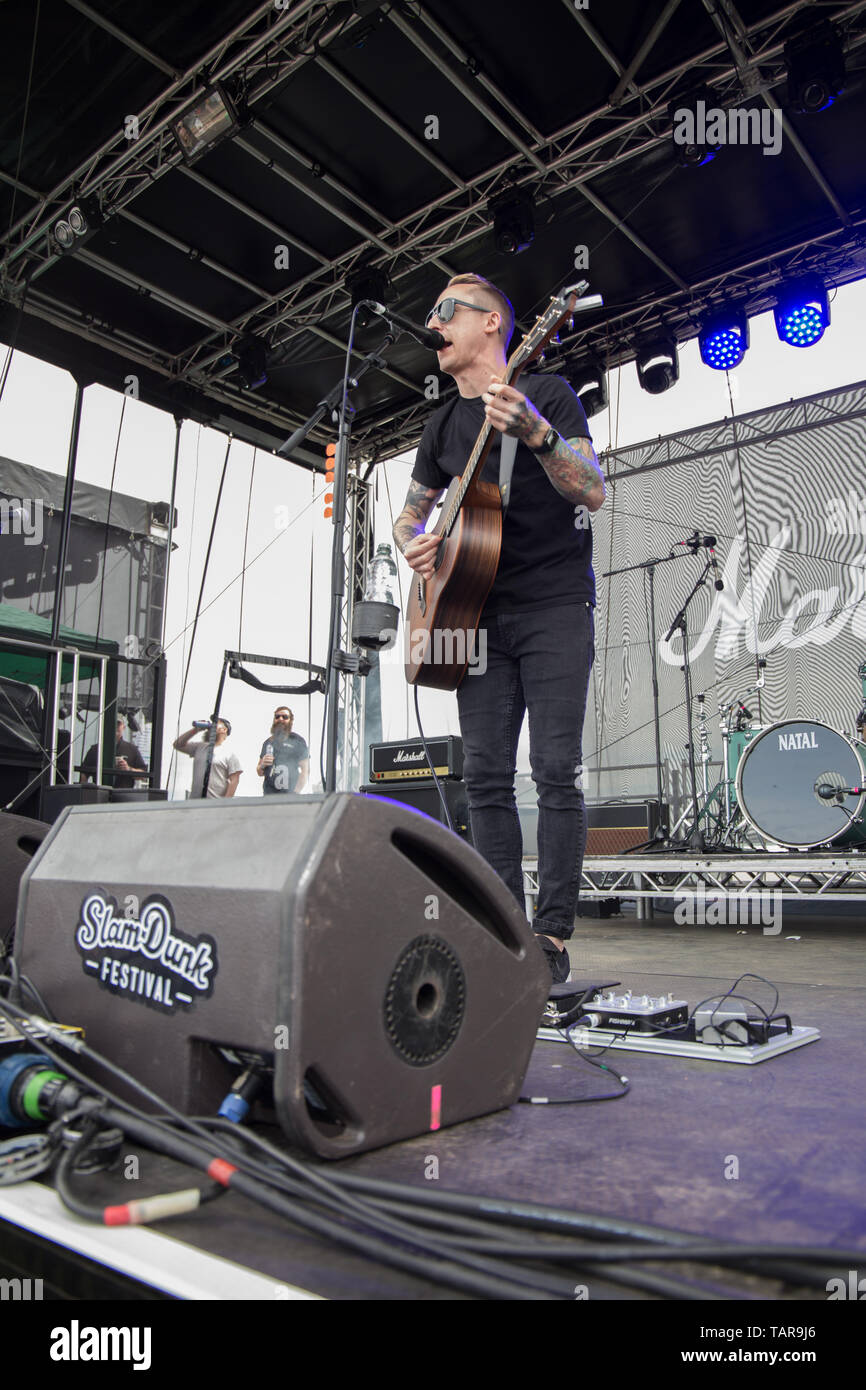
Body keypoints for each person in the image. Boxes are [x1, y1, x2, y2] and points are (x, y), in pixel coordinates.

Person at [393, 273, 605, 982]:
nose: (434, 322)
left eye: (446, 310)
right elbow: (410, 515)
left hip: (552, 605)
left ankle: (550, 937)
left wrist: (538, 435)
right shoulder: (439, 426)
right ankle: (502, 929)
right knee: (484, 776)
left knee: (554, 770)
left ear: (492, 324)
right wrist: (414, 544)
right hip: (469, 613)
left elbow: (592, 489)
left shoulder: (547, 393)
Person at [174, 718, 242, 799]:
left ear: (224, 729)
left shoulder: (229, 754)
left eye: (216, 723)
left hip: (215, 803)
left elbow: (234, 780)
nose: (212, 725)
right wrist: (195, 730)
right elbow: (178, 744)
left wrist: (225, 802)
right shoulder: (199, 747)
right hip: (195, 802)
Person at [81, 716, 148, 789]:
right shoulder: (95, 749)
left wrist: (128, 769)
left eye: (118, 724)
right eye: (112, 724)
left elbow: (143, 775)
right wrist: (85, 792)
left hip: (123, 794)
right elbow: (83, 773)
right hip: (99, 793)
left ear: (124, 727)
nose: (115, 726)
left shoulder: (132, 749)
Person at [256, 707, 310, 794]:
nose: (280, 719)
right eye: (277, 717)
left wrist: (295, 792)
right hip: (269, 796)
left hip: (289, 795)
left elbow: (305, 770)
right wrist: (262, 765)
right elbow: (259, 772)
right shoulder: (268, 743)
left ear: (290, 720)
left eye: (285, 717)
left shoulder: (297, 741)